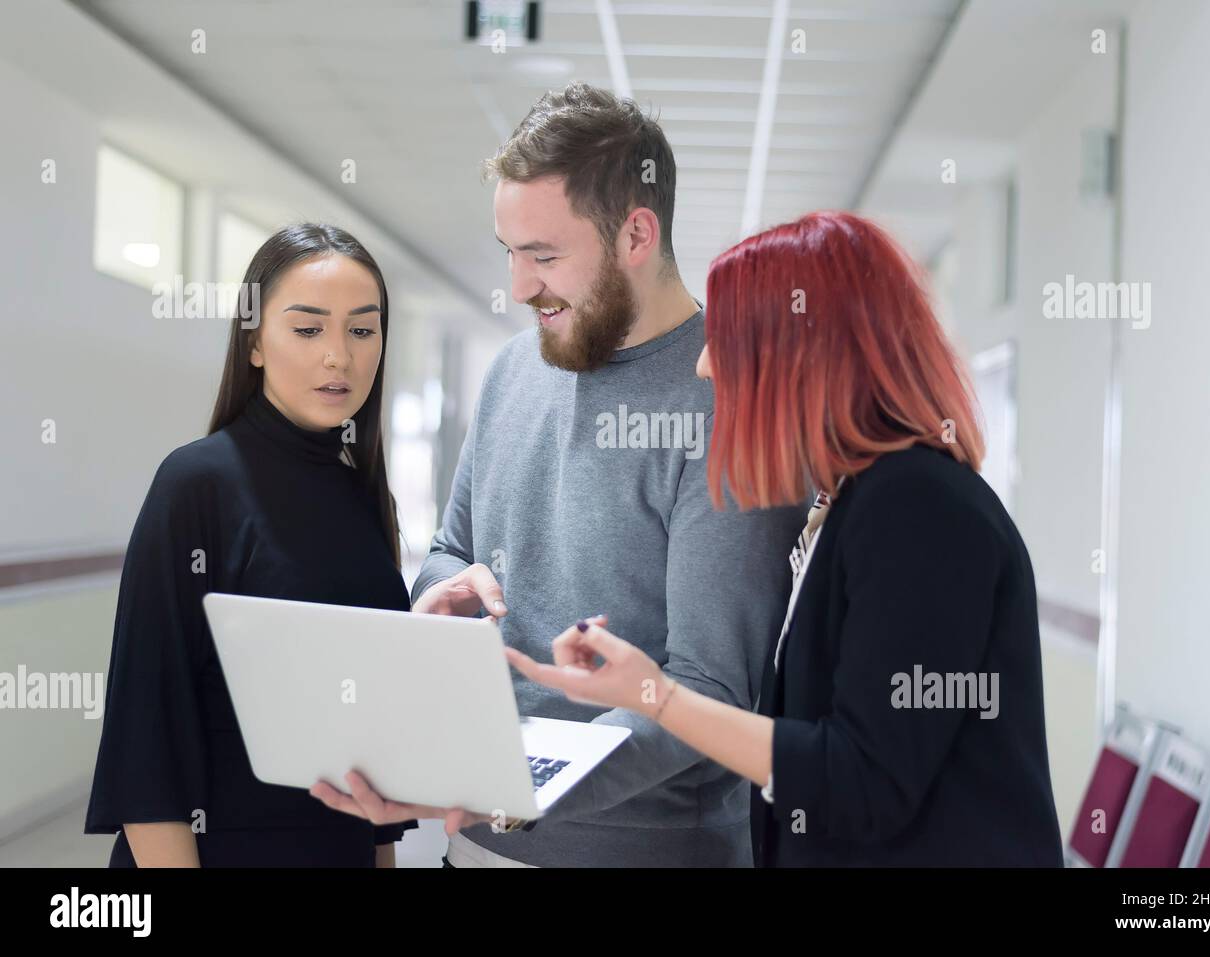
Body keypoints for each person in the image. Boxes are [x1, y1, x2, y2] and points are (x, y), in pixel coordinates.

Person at [311, 83, 806, 867]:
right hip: (470, 839)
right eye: (510, 252)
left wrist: (514, 792)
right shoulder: (515, 370)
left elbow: (708, 686)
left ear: (636, 234)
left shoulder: (731, 399)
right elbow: (450, 546)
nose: (518, 287)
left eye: (544, 256)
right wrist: (439, 591)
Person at [506, 211, 1066, 866]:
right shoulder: (857, 504)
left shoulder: (918, 508)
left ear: (804, 354)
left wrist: (655, 695)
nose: (707, 365)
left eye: (729, 340)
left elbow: (863, 780)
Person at [85, 224, 417, 867]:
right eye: (307, 328)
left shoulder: (363, 494)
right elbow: (146, 739)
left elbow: (370, 743)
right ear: (255, 343)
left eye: (361, 329)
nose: (338, 357)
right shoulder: (196, 484)